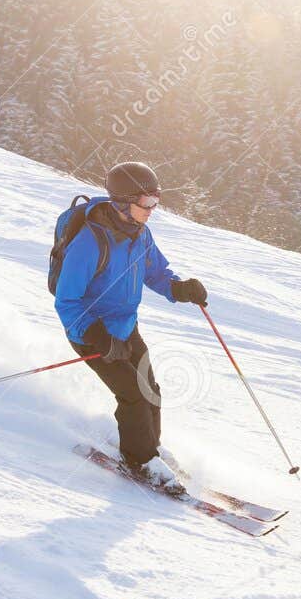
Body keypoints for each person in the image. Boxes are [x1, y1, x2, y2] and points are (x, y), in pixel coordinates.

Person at [54, 161, 208, 489]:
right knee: (133, 394)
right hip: (91, 334)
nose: (153, 209)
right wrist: (97, 336)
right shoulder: (90, 242)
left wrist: (180, 289)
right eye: (147, 202)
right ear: (124, 202)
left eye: (156, 200)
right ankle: (139, 462)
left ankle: (150, 448)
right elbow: (66, 301)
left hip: (125, 327)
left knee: (150, 390)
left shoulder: (140, 233)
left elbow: (156, 273)